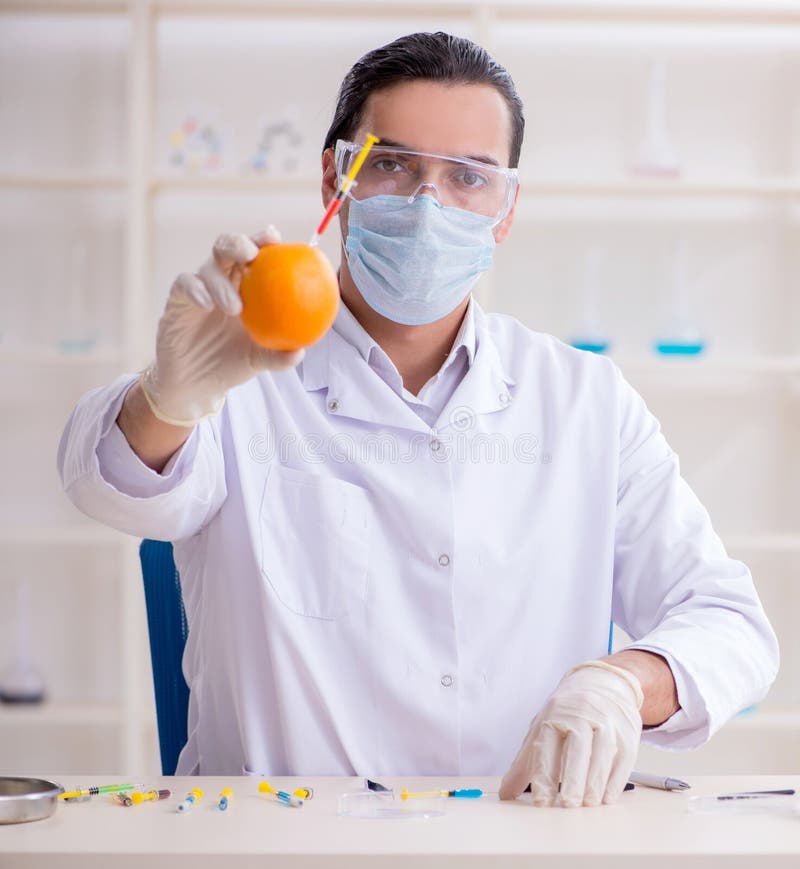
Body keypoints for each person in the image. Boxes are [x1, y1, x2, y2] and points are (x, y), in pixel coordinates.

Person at [58, 32, 778, 807]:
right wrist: (169, 398)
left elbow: (730, 624)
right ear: (335, 177)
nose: (428, 203)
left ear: (505, 208)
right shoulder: (238, 379)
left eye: (468, 177)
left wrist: (619, 682)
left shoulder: (584, 401)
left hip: (524, 838)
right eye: (393, 164)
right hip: (280, 846)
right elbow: (108, 485)